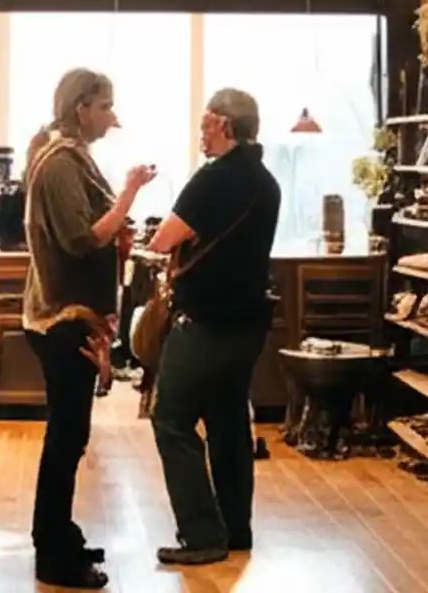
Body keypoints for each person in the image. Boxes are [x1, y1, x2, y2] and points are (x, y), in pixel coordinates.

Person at [22, 67, 156, 589]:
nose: (113, 117)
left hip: (74, 315)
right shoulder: (59, 165)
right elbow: (81, 239)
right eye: (105, 106)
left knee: (70, 435)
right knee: (66, 436)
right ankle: (53, 552)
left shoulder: (67, 156)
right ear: (81, 107)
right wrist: (128, 194)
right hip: (63, 320)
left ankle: (59, 532)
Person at [145, 87, 282, 565]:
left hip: (205, 321)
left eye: (206, 124)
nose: (201, 134)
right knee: (227, 424)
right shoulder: (266, 181)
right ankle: (236, 528)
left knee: (171, 419)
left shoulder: (214, 178)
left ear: (226, 124)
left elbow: (164, 240)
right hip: (249, 324)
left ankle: (202, 534)